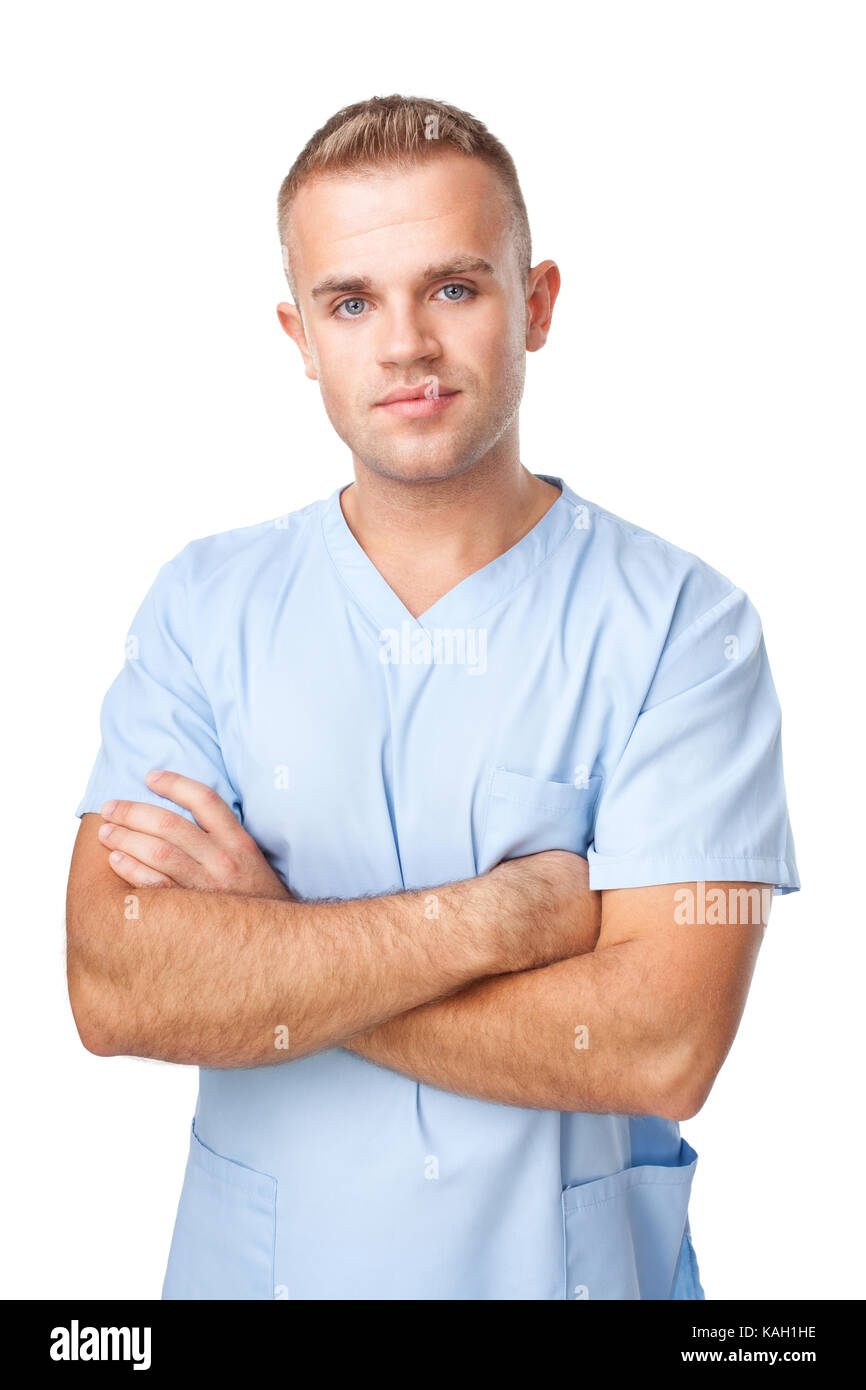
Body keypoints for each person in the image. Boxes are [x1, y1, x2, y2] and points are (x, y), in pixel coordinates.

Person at [66, 94, 800, 1301]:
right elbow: (115, 986)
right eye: (350, 302)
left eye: (452, 288)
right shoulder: (205, 606)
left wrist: (271, 950)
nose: (403, 343)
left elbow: (661, 1047)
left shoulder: (684, 627)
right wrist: (501, 922)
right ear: (299, 334)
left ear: (538, 302)